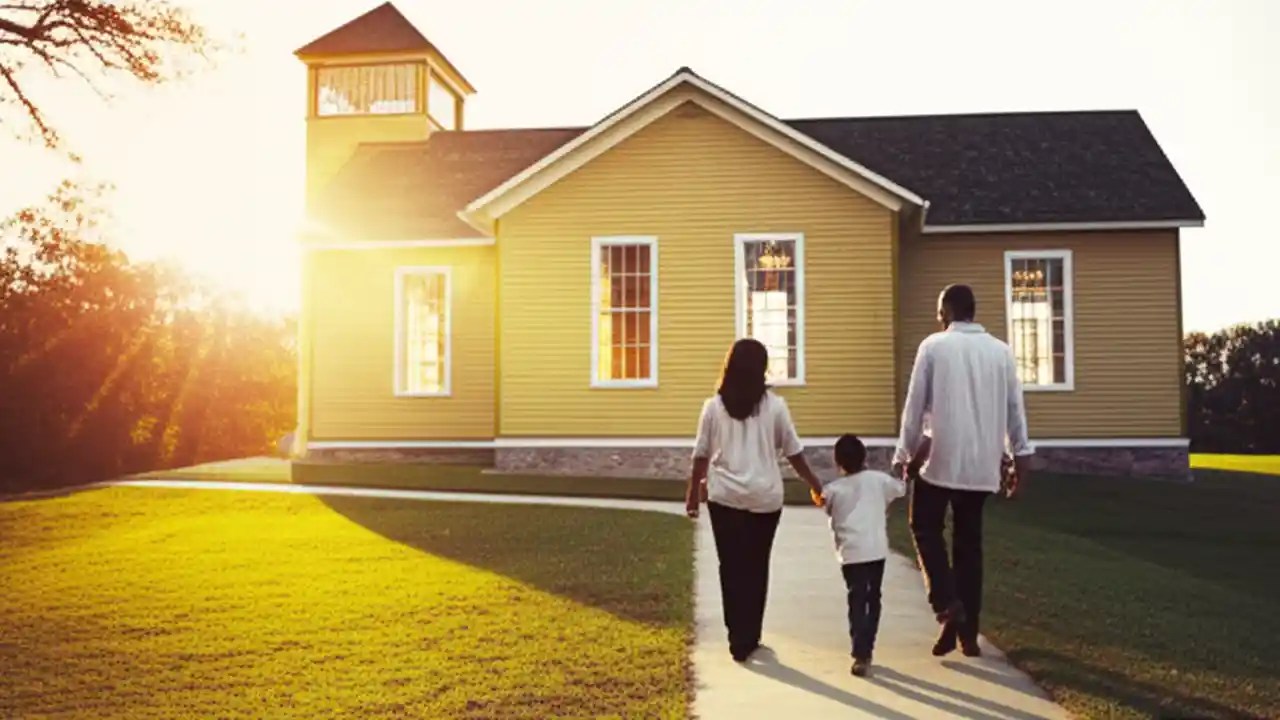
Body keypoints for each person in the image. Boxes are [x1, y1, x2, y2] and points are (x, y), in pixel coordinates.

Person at [892, 283, 1033, 658]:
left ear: (948, 311)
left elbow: (914, 406)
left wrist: (903, 453)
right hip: (982, 463)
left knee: (924, 527)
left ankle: (947, 603)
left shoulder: (933, 347)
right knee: (969, 546)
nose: (938, 318)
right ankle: (968, 633)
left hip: (940, 460)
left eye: (940, 311)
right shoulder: (1001, 352)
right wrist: (1020, 457)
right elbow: (1014, 409)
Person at [687, 338, 824, 663]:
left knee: (731, 568)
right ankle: (752, 636)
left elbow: (700, 456)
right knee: (756, 567)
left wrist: (693, 495)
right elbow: (794, 453)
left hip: (724, 499)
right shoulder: (776, 407)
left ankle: (737, 639)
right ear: (761, 369)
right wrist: (816, 483)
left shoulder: (713, 407)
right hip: (764, 501)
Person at [819, 434, 906, 677]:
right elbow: (901, 489)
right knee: (873, 597)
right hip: (876, 550)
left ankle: (860, 651)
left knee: (856, 599)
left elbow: (824, 504)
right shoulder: (880, 481)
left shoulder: (833, 490)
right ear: (865, 457)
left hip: (851, 554)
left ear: (838, 462)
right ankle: (868, 646)